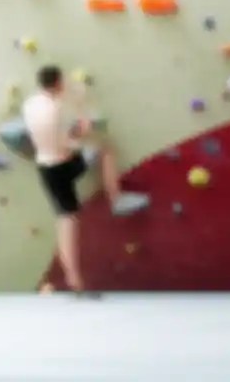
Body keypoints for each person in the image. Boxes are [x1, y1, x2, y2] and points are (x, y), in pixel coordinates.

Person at [22, 65, 149, 296]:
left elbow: (40, 134)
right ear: (58, 84)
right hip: (64, 165)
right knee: (104, 151)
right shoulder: (55, 109)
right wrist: (82, 128)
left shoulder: (30, 104)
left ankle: (73, 278)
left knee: (65, 220)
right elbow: (65, 142)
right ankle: (116, 198)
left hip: (45, 167)